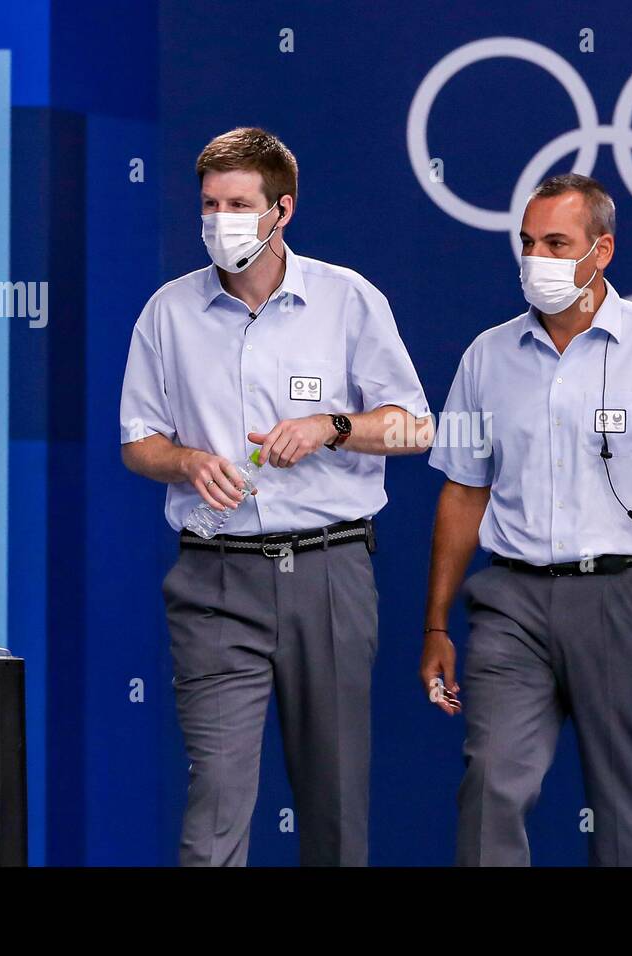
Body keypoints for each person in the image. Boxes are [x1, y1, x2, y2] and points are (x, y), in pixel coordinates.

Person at [120, 127, 432, 866]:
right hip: (214, 577)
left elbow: (415, 427)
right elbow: (139, 442)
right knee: (218, 794)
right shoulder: (168, 312)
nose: (219, 220)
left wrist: (333, 426)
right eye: (208, 204)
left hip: (328, 572)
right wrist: (188, 459)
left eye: (238, 203)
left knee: (333, 799)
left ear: (281, 209)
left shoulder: (347, 300)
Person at [423, 173, 632, 866]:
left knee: (620, 794)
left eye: (556, 243)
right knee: (491, 779)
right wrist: (435, 623)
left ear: (601, 250)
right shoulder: (488, 355)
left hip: (620, 595)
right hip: (509, 598)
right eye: (528, 242)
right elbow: (461, 493)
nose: (536, 258)